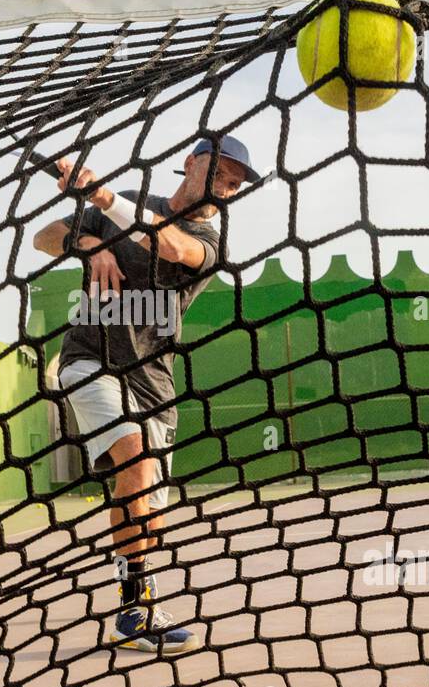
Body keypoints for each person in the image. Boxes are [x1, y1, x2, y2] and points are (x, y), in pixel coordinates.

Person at [31, 136, 260, 653]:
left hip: (152, 380)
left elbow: (172, 246)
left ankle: (135, 588)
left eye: (232, 183)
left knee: (146, 506)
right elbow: (43, 237)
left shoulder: (209, 241)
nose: (223, 187)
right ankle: (134, 612)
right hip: (88, 358)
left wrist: (103, 197)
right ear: (189, 162)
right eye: (218, 173)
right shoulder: (130, 203)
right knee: (133, 455)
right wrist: (91, 244)